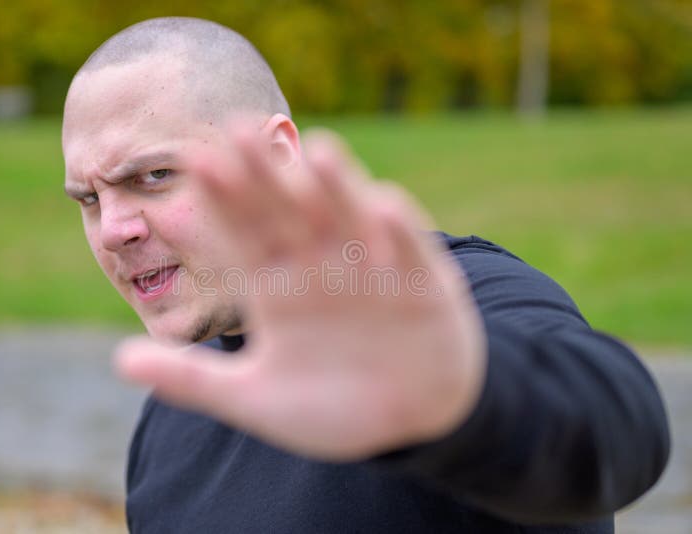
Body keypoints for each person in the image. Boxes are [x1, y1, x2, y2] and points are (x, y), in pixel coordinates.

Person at [61, 17, 670, 533]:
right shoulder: (177, 408)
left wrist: (456, 399)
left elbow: (619, 432)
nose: (113, 230)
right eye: (89, 198)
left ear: (276, 155)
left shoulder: (442, 305)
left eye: (153, 176)